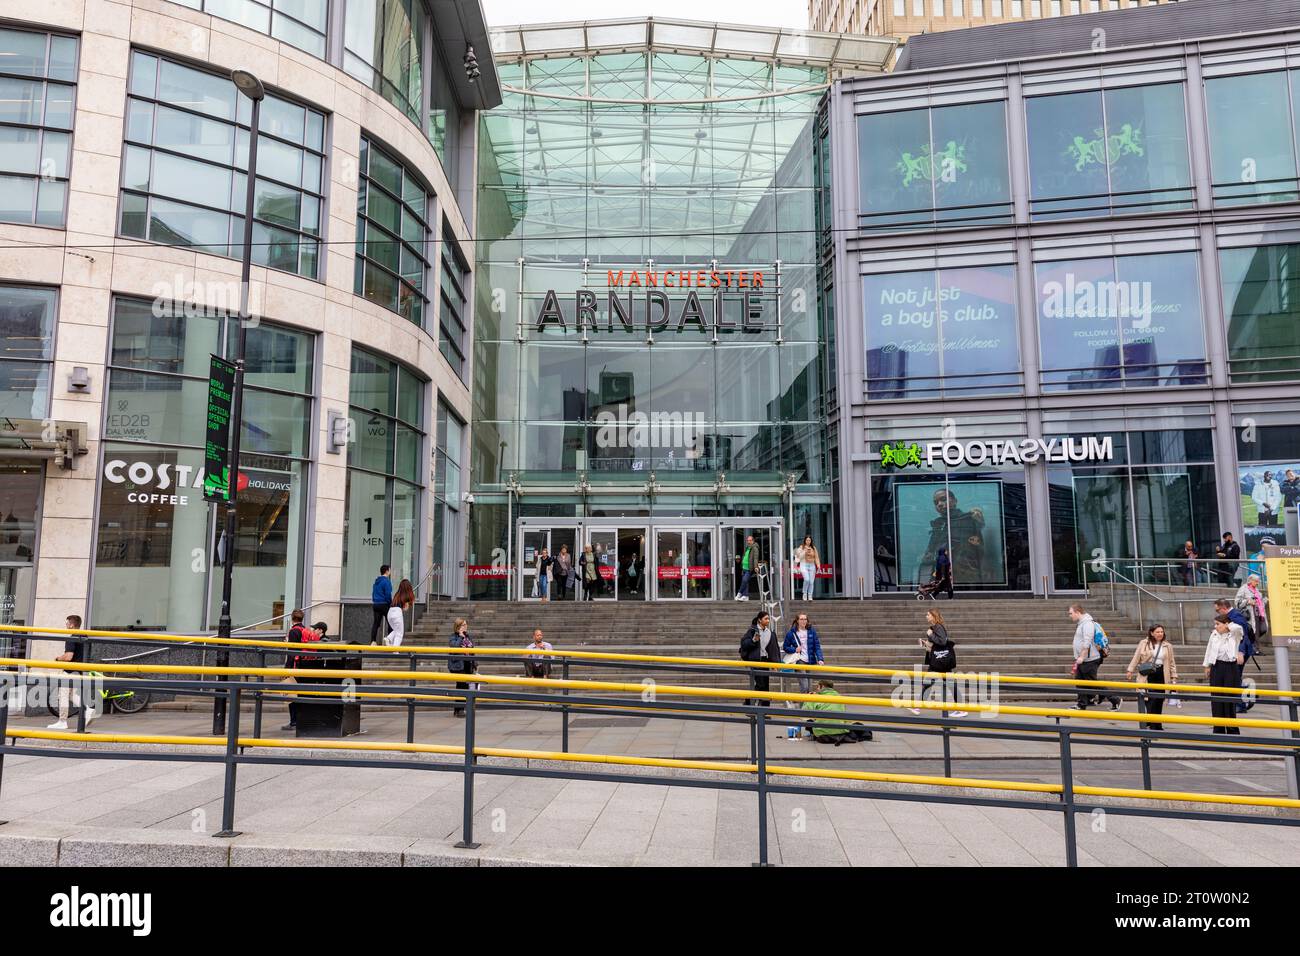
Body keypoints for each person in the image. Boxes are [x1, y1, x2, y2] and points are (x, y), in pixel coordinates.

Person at [47, 615, 97, 731]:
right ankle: (88, 710)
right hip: (80, 671)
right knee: (72, 695)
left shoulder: (72, 638)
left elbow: (69, 657)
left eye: (67, 623)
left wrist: (58, 658)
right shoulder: (85, 637)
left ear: (72, 625)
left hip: (70, 672)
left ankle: (62, 721)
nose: (66, 625)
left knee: (63, 695)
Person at [913, 608, 966, 717]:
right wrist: (926, 643)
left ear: (934, 616)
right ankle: (917, 707)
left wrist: (930, 635)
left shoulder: (938, 627)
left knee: (930, 684)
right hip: (939, 661)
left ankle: (917, 707)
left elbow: (942, 642)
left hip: (939, 662)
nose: (926, 616)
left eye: (928, 614)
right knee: (936, 684)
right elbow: (936, 645)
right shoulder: (935, 627)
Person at [1125, 624, 1178, 731]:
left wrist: (1174, 676)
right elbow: (1137, 657)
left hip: (1162, 674)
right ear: (1152, 633)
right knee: (1150, 699)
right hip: (1148, 674)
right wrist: (1130, 670)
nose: (1160, 634)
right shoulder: (1144, 643)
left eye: (1161, 632)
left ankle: (1156, 723)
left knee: (1159, 699)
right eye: (1157, 632)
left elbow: (1171, 662)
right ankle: (1152, 723)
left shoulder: (1167, 646)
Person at [1069, 604, 1120, 711]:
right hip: (1085, 659)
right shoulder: (1082, 623)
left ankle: (1115, 699)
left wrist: (1082, 657)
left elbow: (1087, 642)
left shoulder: (1087, 624)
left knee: (1092, 683)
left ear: (1077, 612)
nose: (1070, 615)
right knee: (1080, 682)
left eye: (1071, 613)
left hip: (1089, 659)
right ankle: (1082, 704)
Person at [281, 609, 323, 731]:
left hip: (295, 666)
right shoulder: (306, 630)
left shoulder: (293, 631)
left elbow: (292, 652)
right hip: (305, 665)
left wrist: (286, 670)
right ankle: (301, 720)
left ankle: (293, 721)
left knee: (291, 694)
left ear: (292, 618)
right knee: (301, 693)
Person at [1203, 613, 1244, 735]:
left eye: (1218, 624)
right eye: (1215, 624)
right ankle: (1218, 728)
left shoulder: (1234, 634)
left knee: (1230, 697)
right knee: (1216, 697)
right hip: (1217, 666)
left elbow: (1239, 628)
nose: (1215, 626)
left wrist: (1228, 625)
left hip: (1230, 667)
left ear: (1226, 624)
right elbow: (1209, 649)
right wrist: (1207, 665)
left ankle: (1232, 729)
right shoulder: (1214, 634)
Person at [803, 680, 872, 746]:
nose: (817, 689)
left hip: (821, 732)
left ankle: (818, 733)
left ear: (822, 686)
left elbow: (804, 714)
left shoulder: (815, 697)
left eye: (818, 687)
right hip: (840, 730)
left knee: (809, 721)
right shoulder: (839, 697)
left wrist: (808, 698)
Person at [740, 610, 780, 706]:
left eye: (768, 619)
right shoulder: (752, 631)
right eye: (765, 619)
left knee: (765, 685)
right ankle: (748, 702)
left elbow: (774, 649)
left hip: (765, 660)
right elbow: (744, 644)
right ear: (759, 620)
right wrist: (753, 640)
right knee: (760, 684)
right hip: (755, 660)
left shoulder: (770, 633)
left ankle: (764, 708)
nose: (768, 620)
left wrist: (775, 663)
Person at [782, 611, 824, 698]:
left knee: (809, 686)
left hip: (810, 660)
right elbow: (785, 647)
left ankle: (806, 704)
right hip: (799, 660)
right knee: (804, 685)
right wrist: (794, 649)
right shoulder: (791, 633)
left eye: (805, 619)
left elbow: (817, 646)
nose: (804, 621)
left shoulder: (811, 631)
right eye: (801, 619)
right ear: (797, 621)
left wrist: (820, 659)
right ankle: (803, 705)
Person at [447, 618, 476, 717]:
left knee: (465, 687)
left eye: (466, 624)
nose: (465, 626)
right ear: (458, 626)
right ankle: (460, 709)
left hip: (468, 664)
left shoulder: (468, 636)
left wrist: (475, 663)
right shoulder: (453, 637)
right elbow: (454, 648)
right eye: (463, 625)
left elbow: (472, 650)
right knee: (461, 686)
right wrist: (460, 637)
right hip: (458, 666)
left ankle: (459, 709)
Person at [1234, 574, 1268, 643]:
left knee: (1263, 629)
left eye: (1258, 581)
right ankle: (1255, 647)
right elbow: (1237, 602)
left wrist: (1265, 600)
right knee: (1254, 631)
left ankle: (1252, 644)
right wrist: (1247, 601)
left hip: (1259, 614)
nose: (1257, 583)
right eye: (1256, 581)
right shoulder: (1243, 588)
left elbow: (1260, 602)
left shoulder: (1256, 590)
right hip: (1249, 614)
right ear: (1250, 580)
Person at [385, 578, 414, 646]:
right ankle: (395, 649)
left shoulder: (397, 594)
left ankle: (388, 638)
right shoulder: (406, 595)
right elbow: (405, 608)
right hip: (397, 613)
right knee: (399, 634)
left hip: (390, 612)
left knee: (397, 630)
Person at [370, 564, 392, 645]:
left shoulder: (376, 581)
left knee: (376, 624)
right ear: (386, 571)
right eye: (389, 570)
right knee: (390, 623)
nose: (390, 572)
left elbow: (373, 593)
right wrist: (390, 603)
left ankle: (373, 641)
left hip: (376, 604)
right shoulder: (386, 581)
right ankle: (389, 641)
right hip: (385, 604)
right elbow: (388, 594)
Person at [795, 536, 819, 601]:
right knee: (807, 579)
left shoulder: (813, 548)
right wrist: (804, 551)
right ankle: (804, 593)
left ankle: (810, 595)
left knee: (811, 582)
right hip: (804, 564)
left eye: (809, 540)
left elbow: (816, 557)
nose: (808, 541)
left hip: (812, 565)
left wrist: (818, 565)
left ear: (811, 541)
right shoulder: (801, 547)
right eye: (807, 540)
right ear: (805, 541)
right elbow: (798, 556)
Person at [734, 535, 758, 601]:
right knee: (745, 582)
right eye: (748, 540)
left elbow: (755, 558)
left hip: (749, 568)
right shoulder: (747, 548)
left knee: (744, 580)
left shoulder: (755, 548)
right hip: (744, 568)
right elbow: (745, 556)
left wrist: (755, 567)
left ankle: (739, 593)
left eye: (750, 540)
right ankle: (745, 596)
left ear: (753, 541)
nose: (748, 542)